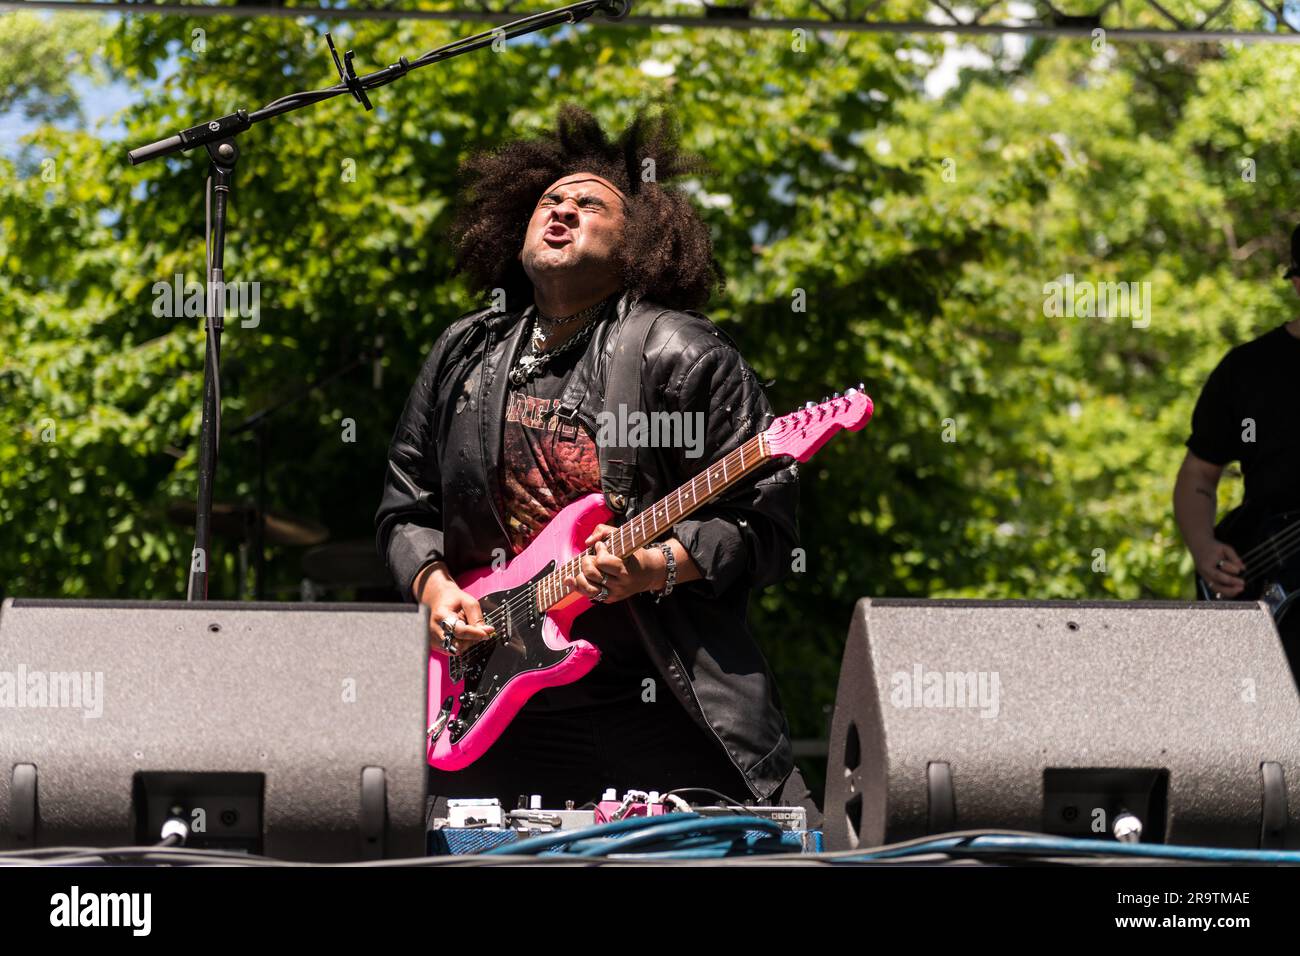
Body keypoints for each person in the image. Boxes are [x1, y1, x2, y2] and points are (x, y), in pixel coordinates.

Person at [375, 102, 821, 825]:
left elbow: (762, 523)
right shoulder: (464, 353)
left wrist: (654, 567)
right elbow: (406, 505)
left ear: (638, 240)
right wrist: (432, 589)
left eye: (589, 205)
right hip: (492, 701)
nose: (562, 211)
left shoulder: (683, 354)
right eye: (550, 201)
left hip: (659, 698)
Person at [1173, 224, 1300, 680]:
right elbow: (1198, 478)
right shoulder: (1247, 370)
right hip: (1269, 586)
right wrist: (1204, 547)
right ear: (1297, 282)